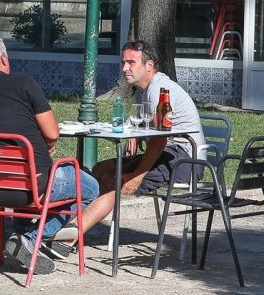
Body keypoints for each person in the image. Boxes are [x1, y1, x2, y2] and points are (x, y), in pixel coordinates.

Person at [0, 34, 101, 274]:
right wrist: (45, 144)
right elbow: (52, 133)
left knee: (35, 176)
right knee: (90, 187)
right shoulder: (24, 83)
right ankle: (28, 238)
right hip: (33, 185)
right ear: (3, 59)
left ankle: (20, 241)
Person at [83, 40, 205, 230]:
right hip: (167, 152)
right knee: (100, 169)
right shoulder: (143, 90)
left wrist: (138, 176)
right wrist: (135, 133)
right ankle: (82, 224)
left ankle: (79, 230)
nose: (124, 68)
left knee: (112, 179)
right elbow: (144, 124)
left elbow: (159, 139)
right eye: (123, 62)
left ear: (149, 66)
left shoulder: (159, 88)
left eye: (131, 63)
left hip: (186, 161)